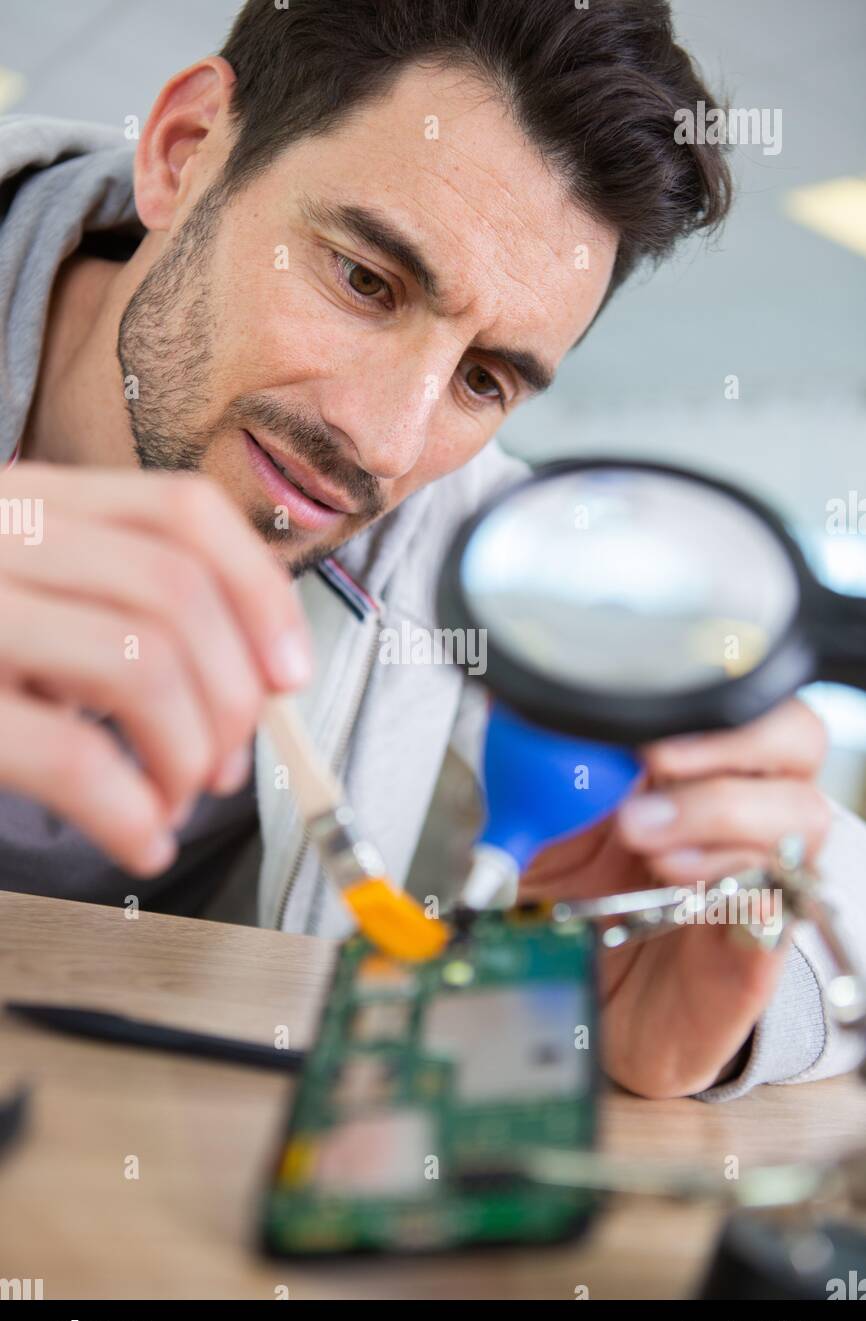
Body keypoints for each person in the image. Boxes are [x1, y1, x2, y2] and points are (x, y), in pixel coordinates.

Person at [0, 0, 861, 1101]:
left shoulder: (468, 548)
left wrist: (706, 1000)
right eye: (365, 280)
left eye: (482, 379)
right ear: (183, 152)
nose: (385, 441)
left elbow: (838, 883)